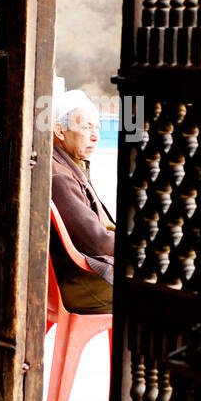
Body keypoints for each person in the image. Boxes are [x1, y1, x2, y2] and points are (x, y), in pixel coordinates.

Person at [50, 90, 115, 314]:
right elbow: (96, 242)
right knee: (152, 291)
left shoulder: (69, 164)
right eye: (86, 128)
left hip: (83, 275)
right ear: (60, 130)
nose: (95, 136)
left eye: (97, 128)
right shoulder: (59, 175)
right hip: (78, 281)